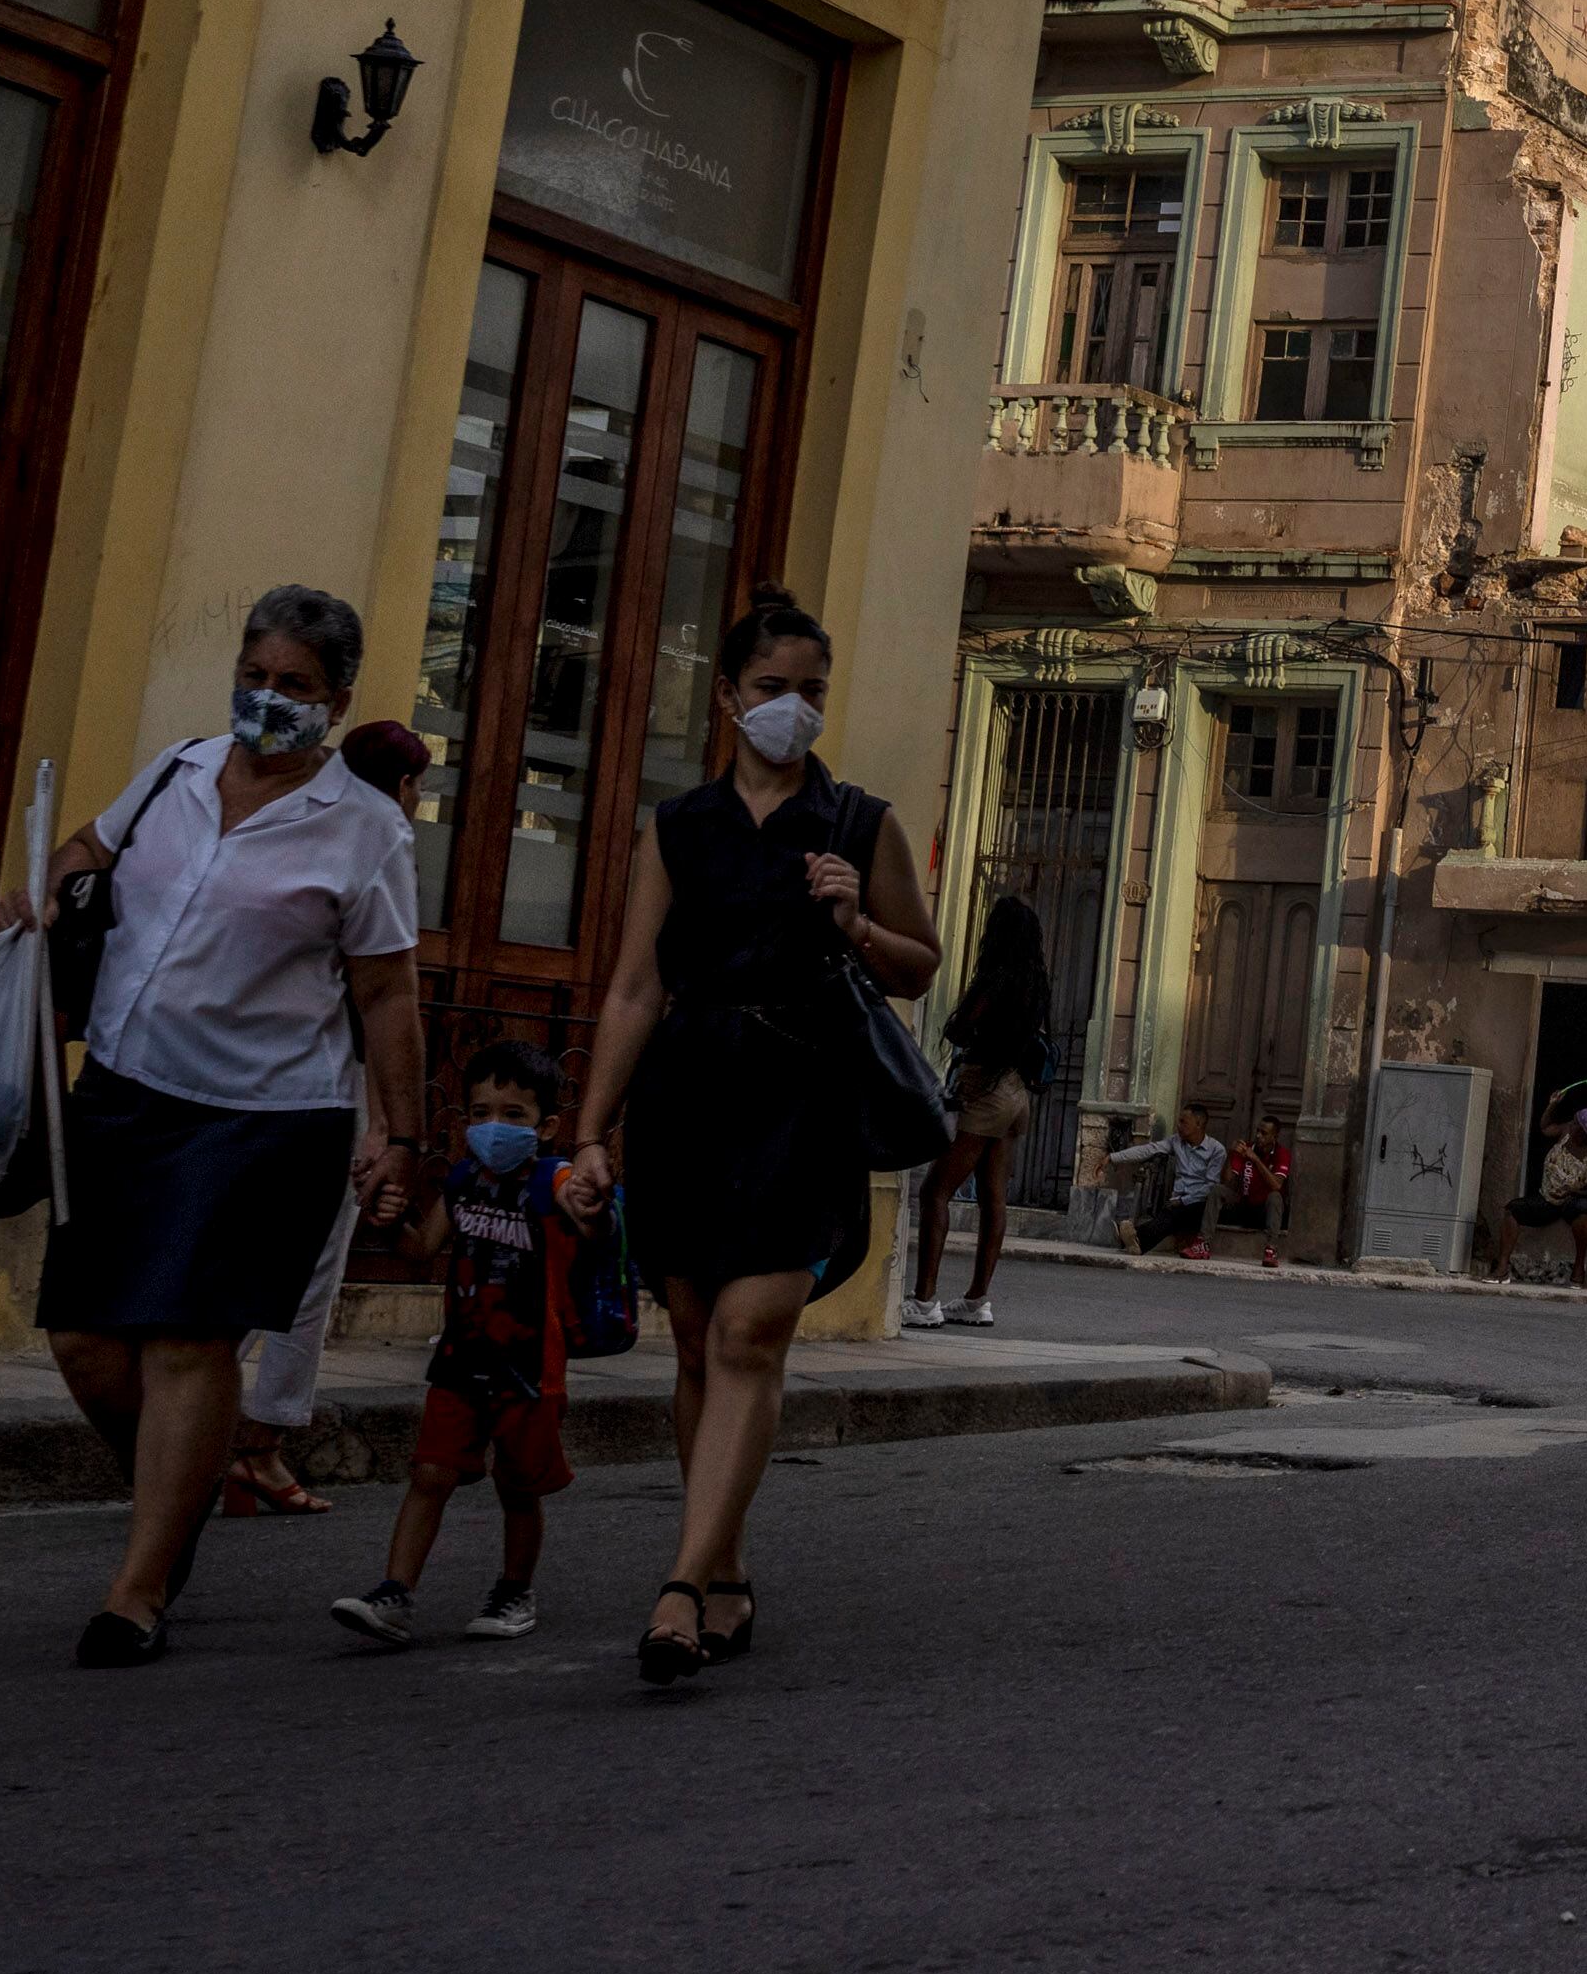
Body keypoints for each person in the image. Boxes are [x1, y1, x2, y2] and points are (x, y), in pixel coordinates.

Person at [17, 586, 428, 1668]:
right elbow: (85, 847)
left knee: (189, 1340)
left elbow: (387, 992)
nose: (267, 699)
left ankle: (139, 1589)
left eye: (295, 685)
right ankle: (185, 1486)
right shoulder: (177, 770)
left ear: (337, 701)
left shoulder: (366, 828)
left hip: (264, 1116)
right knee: (85, 1339)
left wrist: (403, 1133)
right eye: (255, 676)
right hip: (123, 1091)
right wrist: (47, 893)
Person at [567, 585, 940, 1687]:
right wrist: (589, 1131)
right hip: (688, 1095)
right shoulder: (679, 827)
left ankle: (679, 1587)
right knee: (694, 1340)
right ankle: (722, 1566)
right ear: (728, 695)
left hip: (803, 1098)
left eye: (811, 690)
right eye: (773, 686)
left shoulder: (860, 822)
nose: (794, 707)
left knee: (748, 1334)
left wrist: (856, 922)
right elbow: (635, 987)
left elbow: (919, 965)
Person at [227, 719, 438, 1516]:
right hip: (323, 1085)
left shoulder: (292, 827)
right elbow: (376, 997)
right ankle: (254, 1438)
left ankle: (204, 1411)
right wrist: (385, 1126)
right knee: (308, 1265)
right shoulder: (379, 842)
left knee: (253, 1251)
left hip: (252, 1073)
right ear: (405, 788)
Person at [328, 1041, 598, 1647]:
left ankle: (514, 1590)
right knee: (430, 1473)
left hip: (529, 1366)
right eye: (480, 1113)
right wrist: (388, 1217)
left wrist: (590, 1203)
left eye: (513, 1115)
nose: (493, 1127)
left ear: (547, 1127)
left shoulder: (552, 1180)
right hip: (461, 1357)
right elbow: (421, 1249)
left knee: (518, 1488)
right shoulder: (463, 1180)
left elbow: (587, 1216)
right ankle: (394, 1593)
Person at [910, 893, 1052, 1329]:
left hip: (984, 1091)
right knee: (994, 1199)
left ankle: (924, 1301)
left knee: (935, 1191)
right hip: (1016, 1095)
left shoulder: (996, 979)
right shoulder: (1037, 986)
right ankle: (976, 1300)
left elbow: (958, 1029)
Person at [1493, 1082, 1587, 1284]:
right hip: (1547, 1198)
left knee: (1585, 1212)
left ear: (1586, 1132)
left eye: (1577, 1125)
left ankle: (1578, 1268)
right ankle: (1502, 1268)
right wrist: (1552, 1105)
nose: (1572, 1125)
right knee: (1513, 1210)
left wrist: (1574, 1191)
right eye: (1573, 1122)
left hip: (1571, 1201)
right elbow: (1545, 1127)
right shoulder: (1566, 1131)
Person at [1109, 1107, 1228, 1259]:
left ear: (1198, 1124)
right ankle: (1132, 1240)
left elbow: (1211, 1187)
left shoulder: (1217, 1150)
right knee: (1170, 1214)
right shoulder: (1176, 1141)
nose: (1178, 1125)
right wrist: (1113, 1157)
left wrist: (1183, 1200)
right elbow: (1149, 1149)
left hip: (1200, 1205)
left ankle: (1135, 1239)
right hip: (1176, 1203)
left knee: (1176, 1213)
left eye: (1183, 1122)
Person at [1225, 1111, 1295, 1267]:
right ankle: (1203, 1242)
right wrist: (1231, 1154)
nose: (1258, 1136)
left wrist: (1256, 1160)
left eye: (1264, 1133)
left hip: (1265, 1213)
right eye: (1257, 1131)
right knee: (1217, 1190)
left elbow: (1276, 1185)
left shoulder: (1282, 1154)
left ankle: (1271, 1249)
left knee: (1275, 1196)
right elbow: (1226, 1181)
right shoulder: (1247, 1148)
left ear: (1274, 1137)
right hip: (1244, 1207)